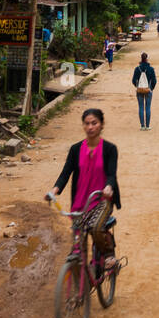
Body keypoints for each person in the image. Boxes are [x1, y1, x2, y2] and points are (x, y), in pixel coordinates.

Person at [48, 108, 120, 271]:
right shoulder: (75, 149)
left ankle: (109, 255)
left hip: (101, 200)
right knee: (76, 245)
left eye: (94, 123)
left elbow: (111, 174)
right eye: (87, 123)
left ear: (101, 125)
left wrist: (109, 187)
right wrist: (55, 190)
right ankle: (79, 287)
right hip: (81, 202)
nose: (90, 127)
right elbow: (65, 173)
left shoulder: (110, 149)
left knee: (95, 227)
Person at [132, 52, 156, 130]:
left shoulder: (137, 69)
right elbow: (154, 81)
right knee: (148, 107)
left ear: (141, 59)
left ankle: (142, 126)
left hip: (139, 91)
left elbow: (133, 80)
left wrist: (137, 86)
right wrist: (151, 88)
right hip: (148, 90)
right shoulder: (151, 69)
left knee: (141, 107)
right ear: (147, 59)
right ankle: (148, 126)